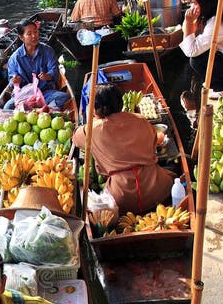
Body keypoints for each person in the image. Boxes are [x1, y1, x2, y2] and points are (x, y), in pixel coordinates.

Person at [72, 85, 174, 215]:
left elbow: (75, 138)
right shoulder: (141, 120)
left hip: (122, 199)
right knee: (172, 169)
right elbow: (154, 143)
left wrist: (93, 119)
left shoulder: (93, 129)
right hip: (158, 189)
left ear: (95, 108)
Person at [4, 18, 71, 111]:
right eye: (29, 34)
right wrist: (15, 81)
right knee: (7, 107)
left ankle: (42, 110)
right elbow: (11, 83)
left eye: (36, 32)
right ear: (21, 37)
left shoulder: (48, 51)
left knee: (65, 97)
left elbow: (55, 72)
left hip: (45, 92)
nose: (34, 36)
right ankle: (46, 110)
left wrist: (48, 76)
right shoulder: (14, 58)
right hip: (24, 96)